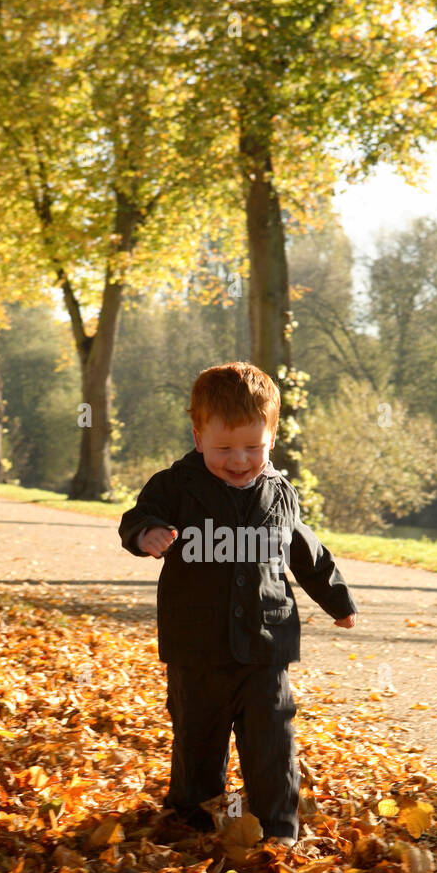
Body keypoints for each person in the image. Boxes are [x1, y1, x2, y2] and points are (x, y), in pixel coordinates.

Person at [118, 362, 357, 846]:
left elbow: (307, 554)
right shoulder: (175, 486)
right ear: (199, 436)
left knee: (272, 740)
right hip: (197, 645)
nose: (240, 459)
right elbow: (136, 518)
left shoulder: (280, 494)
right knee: (198, 738)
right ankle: (193, 821)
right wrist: (148, 534)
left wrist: (338, 600)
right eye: (224, 448)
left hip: (266, 645)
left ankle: (278, 830)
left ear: (273, 438)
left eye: (254, 446)